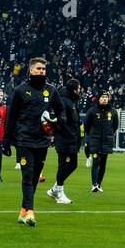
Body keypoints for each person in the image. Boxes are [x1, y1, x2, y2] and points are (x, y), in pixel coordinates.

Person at [2, 57, 57, 227]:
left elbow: (61, 110)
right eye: (39, 68)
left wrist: (55, 123)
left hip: (42, 141)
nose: (41, 71)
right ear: (31, 70)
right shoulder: (19, 91)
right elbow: (11, 117)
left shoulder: (51, 91)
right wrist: (6, 140)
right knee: (27, 176)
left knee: (34, 178)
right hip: (24, 140)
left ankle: (23, 210)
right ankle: (31, 212)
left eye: (43, 69)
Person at [47, 77, 82, 205]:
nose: (80, 91)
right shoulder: (64, 101)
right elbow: (60, 120)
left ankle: (55, 189)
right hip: (64, 139)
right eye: (79, 89)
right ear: (74, 89)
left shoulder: (72, 101)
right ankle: (60, 192)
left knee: (73, 165)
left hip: (71, 139)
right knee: (64, 165)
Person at [83, 93, 119, 192]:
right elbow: (87, 126)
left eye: (106, 97)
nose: (104, 99)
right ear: (98, 99)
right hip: (95, 140)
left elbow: (115, 126)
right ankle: (94, 184)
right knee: (95, 162)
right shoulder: (92, 111)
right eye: (102, 97)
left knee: (103, 163)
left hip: (107, 141)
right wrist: (92, 135)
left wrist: (108, 134)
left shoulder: (113, 111)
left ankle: (99, 184)